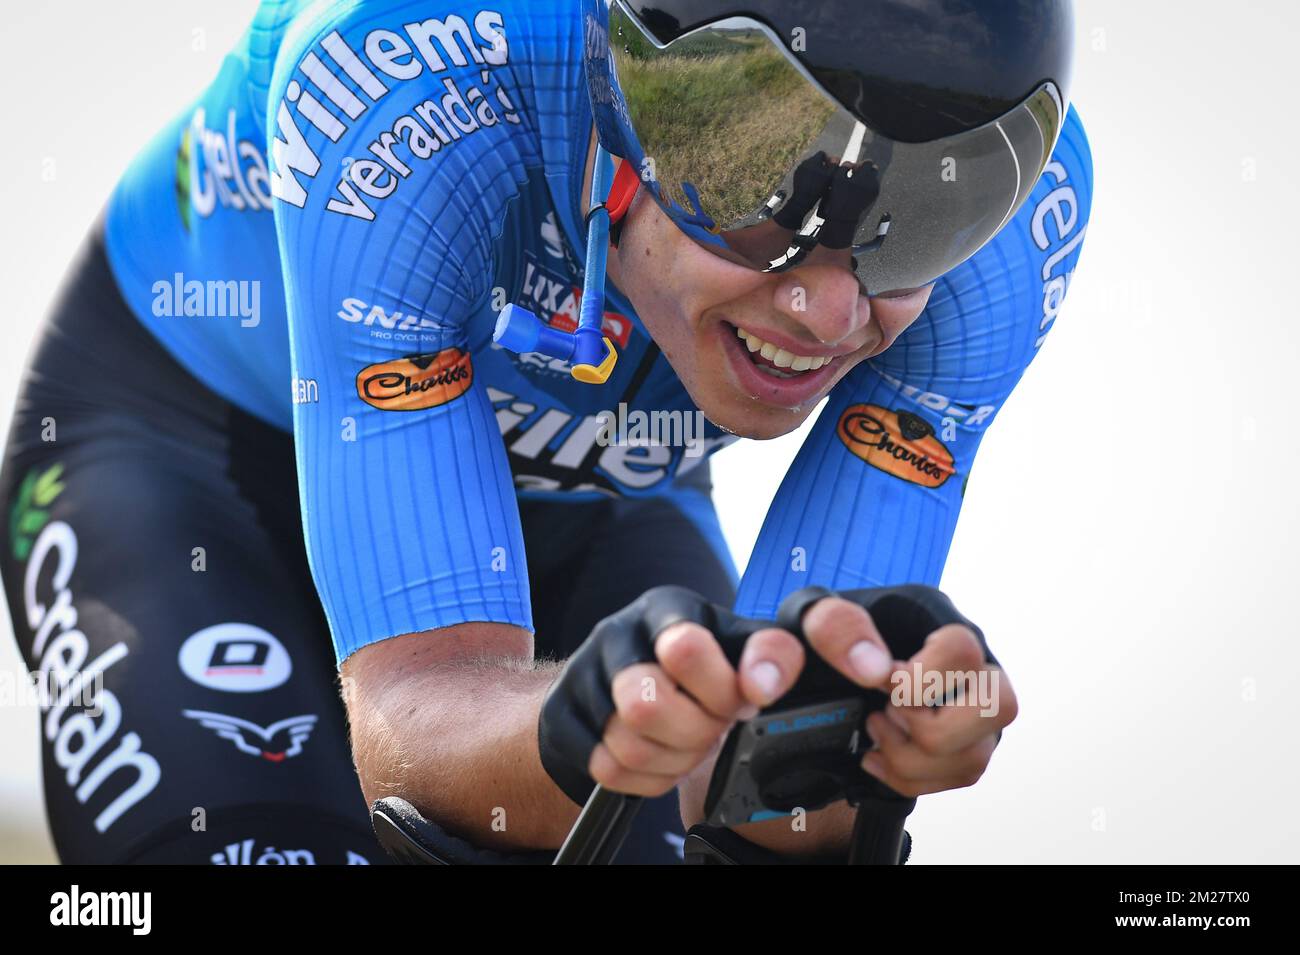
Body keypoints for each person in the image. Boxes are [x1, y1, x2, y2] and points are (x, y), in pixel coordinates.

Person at [0, 0, 1091, 864]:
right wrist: (572, 739)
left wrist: (863, 741)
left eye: (916, 232)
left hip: (598, 495)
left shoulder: (1004, 237)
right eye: (765, 194)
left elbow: (768, 803)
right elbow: (415, 722)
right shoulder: (410, 73)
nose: (828, 314)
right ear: (619, 127)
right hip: (196, 457)